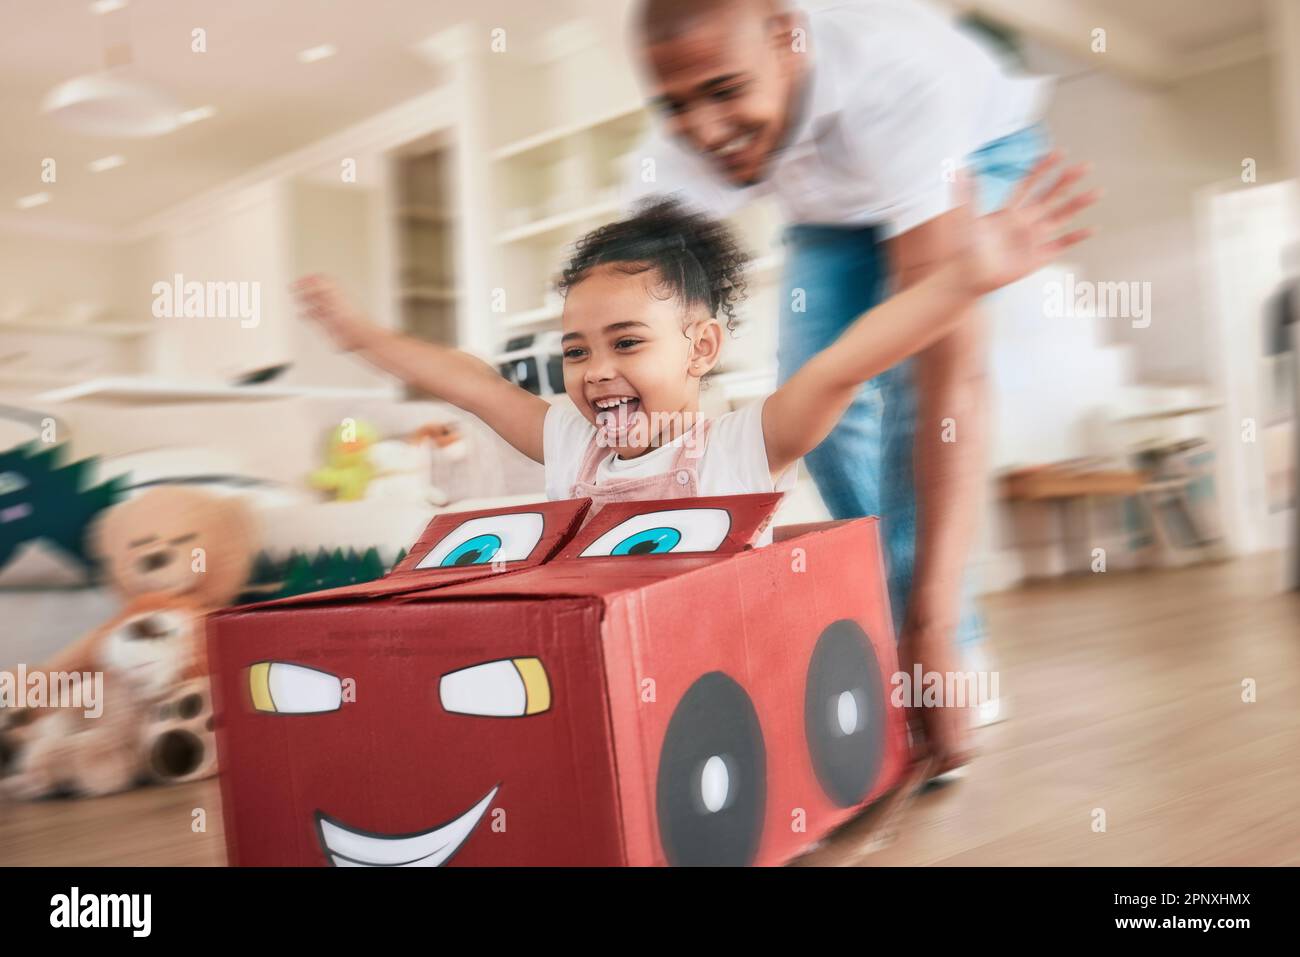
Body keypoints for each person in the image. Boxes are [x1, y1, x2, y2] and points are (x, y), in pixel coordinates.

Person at [626, 0, 1097, 769]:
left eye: (723, 90)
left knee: (914, 381)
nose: (703, 130)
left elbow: (949, 377)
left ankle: (945, 641)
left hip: (977, 149)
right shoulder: (671, 154)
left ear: (787, 40)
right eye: (675, 103)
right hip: (833, 204)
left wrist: (934, 630)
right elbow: (632, 327)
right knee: (815, 404)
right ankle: (898, 624)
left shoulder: (899, 76)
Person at [295, 162, 1091, 568]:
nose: (596, 369)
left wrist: (965, 277)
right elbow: (466, 379)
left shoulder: (745, 445)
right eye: (576, 351)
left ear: (702, 348)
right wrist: (361, 334)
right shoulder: (569, 440)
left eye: (627, 342)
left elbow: (846, 364)